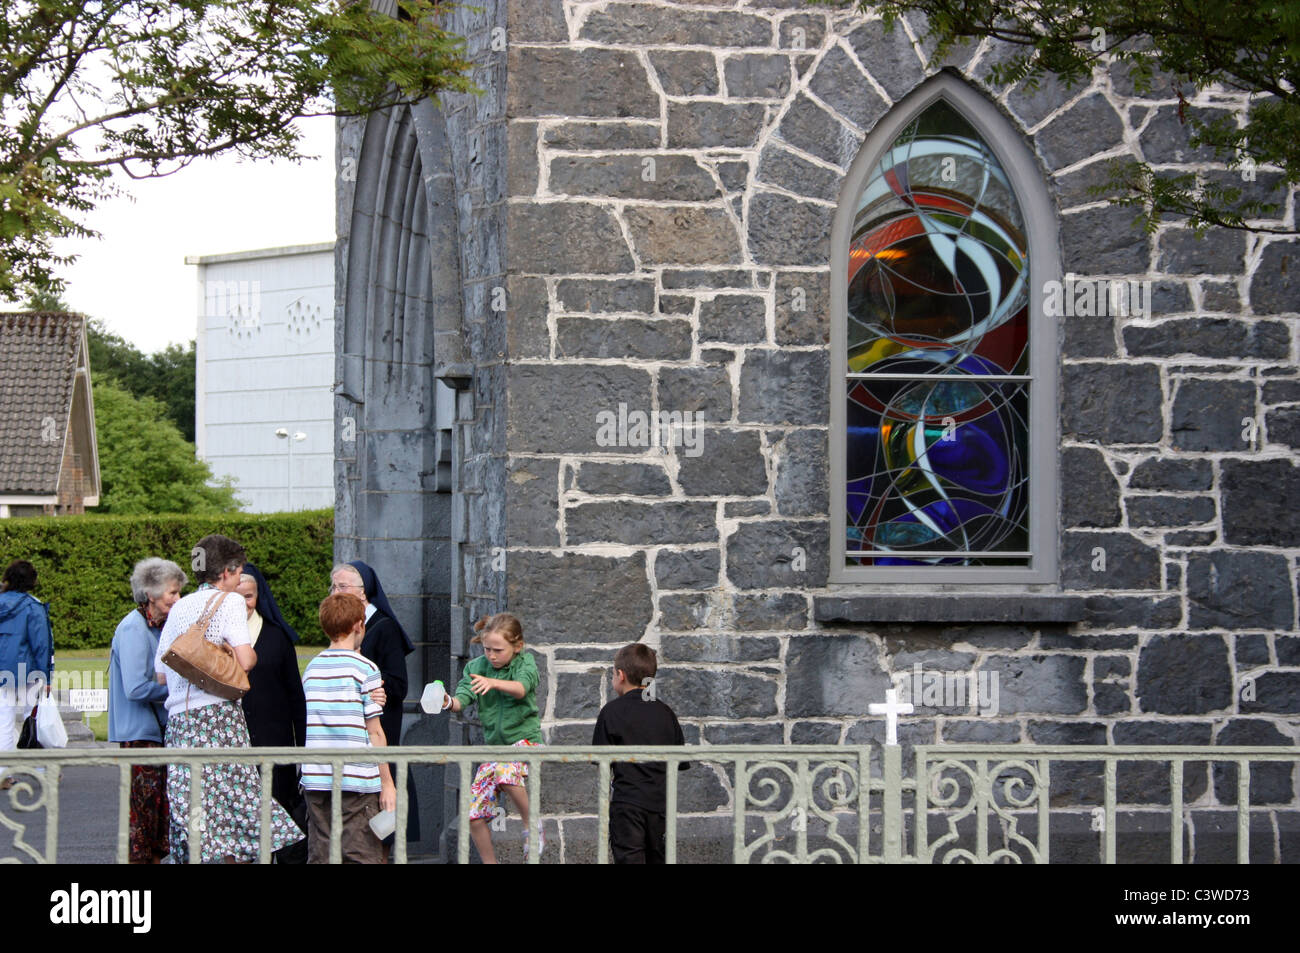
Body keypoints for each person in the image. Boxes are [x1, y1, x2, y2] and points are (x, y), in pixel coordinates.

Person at [153, 534, 303, 863]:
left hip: (179, 726)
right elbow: (247, 659)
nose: (238, 580)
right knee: (236, 807)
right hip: (219, 720)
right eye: (238, 573)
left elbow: (161, 672)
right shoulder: (229, 601)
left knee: (195, 811)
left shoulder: (179, 607)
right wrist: (224, 660)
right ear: (227, 571)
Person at [300, 592, 395, 864]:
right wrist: (387, 783)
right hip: (357, 777)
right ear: (358, 625)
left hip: (317, 777)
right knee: (360, 852)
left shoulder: (312, 668)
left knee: (322, 853)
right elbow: (374, 731)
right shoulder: (365, 669)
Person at [443, 612, 543, 863]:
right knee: (473, 815)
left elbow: (521, 689)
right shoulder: (476, 668)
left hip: (525, 740)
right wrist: (447, 701)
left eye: (498, 650)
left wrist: (494, 683)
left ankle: (532, 824)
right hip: (496, 749)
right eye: (487, 649)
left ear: (517, 646)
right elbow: (462, 700)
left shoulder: (525, 663)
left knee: (505, 772)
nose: (491, 655)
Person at [330, 560, 418, 843]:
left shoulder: (383, 626)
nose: (335, 592)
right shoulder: (340, 626)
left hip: (378, 726)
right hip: (349, 729)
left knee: (382, 820)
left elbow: (398, 684)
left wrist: (376, 687)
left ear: (363, 591)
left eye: (342, 586)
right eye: (333, 586)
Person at [108, 558, 186, 863]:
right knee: (141, 820)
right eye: (172, 593)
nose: (178, 599)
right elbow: (136, 688)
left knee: (158, 819)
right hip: (139, 735)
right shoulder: (132, 628)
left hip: (156, 733)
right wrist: (179, 689)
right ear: (150, 594)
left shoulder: (159, 626)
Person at [236, 564, 308, 863]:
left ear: (259, 595)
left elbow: (295, 697)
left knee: (280, 814)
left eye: (249, 596)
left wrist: (304, 750)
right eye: (236, 597)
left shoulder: (278, 637)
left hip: (275, 743)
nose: (243, 604)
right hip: (235, 744)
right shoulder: (217, 637)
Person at [592, 643, 687, 864]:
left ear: (621, 675)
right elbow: (679, 763)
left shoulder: (611, 712)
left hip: (627, 803)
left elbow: (601, 761)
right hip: (660, 806)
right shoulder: (666, 713)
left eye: (613, 673)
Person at [0, 560, 52, 791]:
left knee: (4, 722)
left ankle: (5, 773)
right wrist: (47, 676)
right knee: (34, 721)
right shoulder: (33, 607)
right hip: (25, 672)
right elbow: (41, 644)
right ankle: (42, 769)